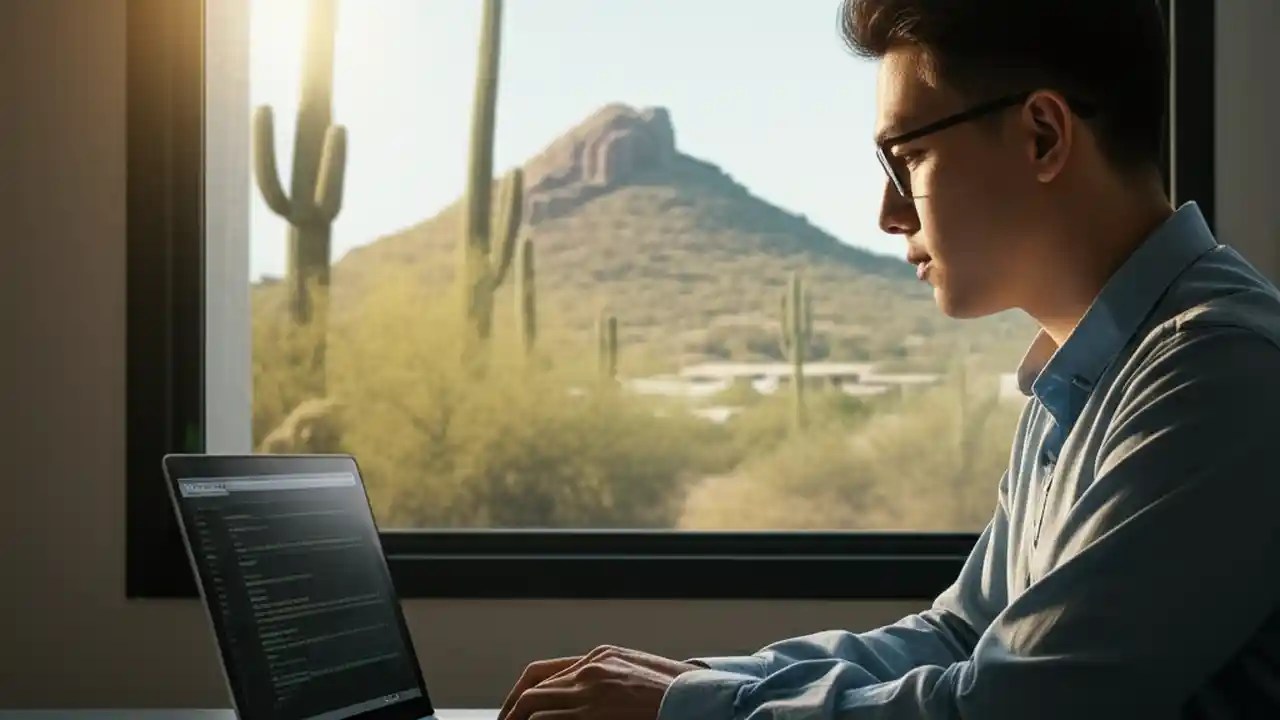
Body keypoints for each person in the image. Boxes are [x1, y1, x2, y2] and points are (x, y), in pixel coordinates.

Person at [497, 0, 1280, 717]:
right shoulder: (1088, 378)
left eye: (905, 158)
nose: (886, 211)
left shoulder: (1219, 371)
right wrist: (685, 684)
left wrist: (694, 711)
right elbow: (959, 637)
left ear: (1043, 135)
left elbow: (1018, 705)